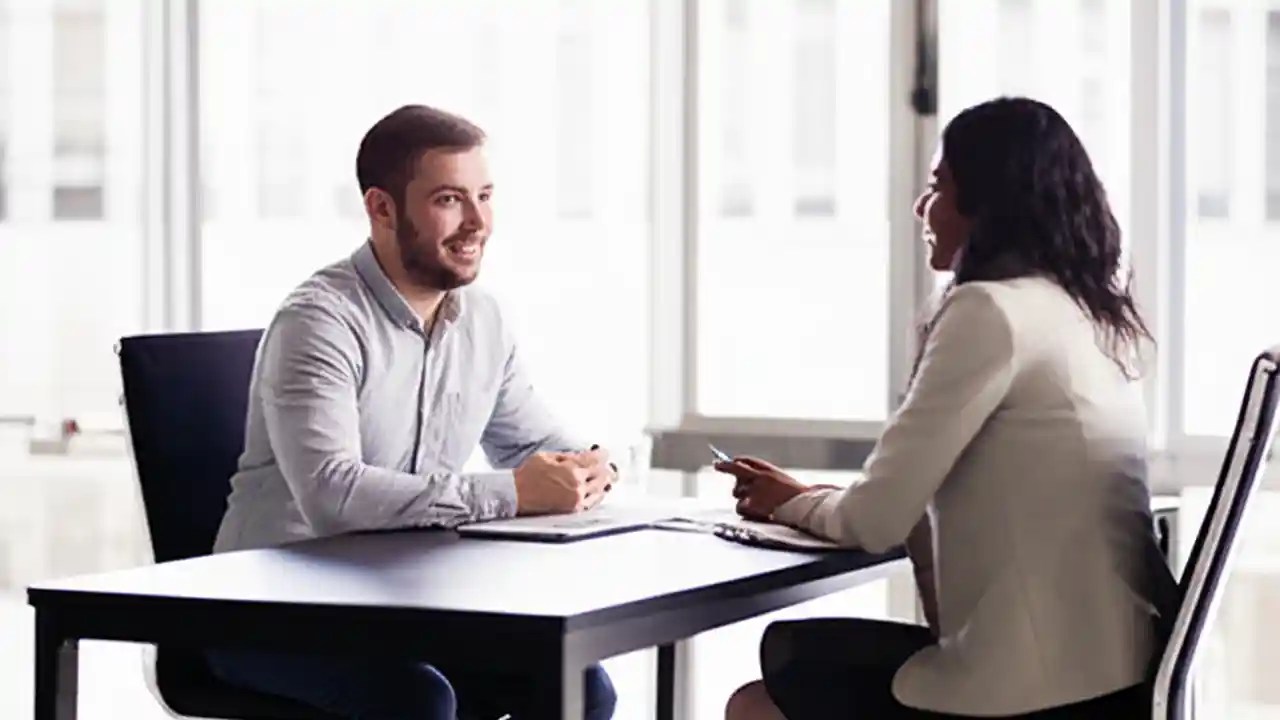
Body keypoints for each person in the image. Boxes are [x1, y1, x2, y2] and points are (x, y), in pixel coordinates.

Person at [716, 97, 1179, 719]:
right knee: (798, 659)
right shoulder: (1083, 316)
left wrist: (792, 503)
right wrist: (816, 499)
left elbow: (874, 523)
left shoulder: (989, 312)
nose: (920, 206)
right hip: (1119, 678)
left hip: (1031, 692)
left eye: (938, 185)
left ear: (989, 203)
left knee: (763, 697)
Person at [207, 104, 618, 720]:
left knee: (580, 688)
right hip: (268, 609)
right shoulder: (319, 322)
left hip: (402, 600)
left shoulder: (484, 320)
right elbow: (332, 496)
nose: (477, 221)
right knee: (416, 700)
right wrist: (513, 493)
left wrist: (589, 469)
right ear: (381, 208)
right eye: (450, 199)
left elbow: (537, 444)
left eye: (485, 195)